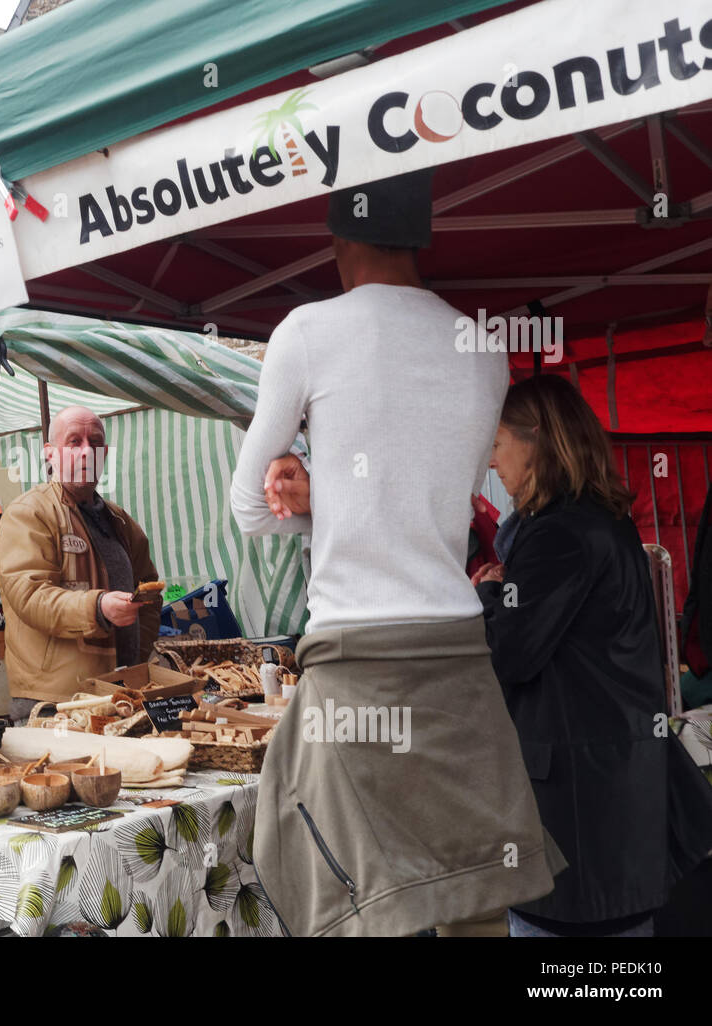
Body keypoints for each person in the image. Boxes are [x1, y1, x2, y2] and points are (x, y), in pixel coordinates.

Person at [230, 169, 560, 937]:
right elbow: (428, 495)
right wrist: (335, 501)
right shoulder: (481, 347)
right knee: (472, 903)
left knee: (363, 909)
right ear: (422, 236)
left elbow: (250, 509)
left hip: (358, 662)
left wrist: (316, 504)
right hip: (457, 661)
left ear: (338, 238)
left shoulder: (308, 332)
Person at [474, 375, 712, 937]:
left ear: (536, 443)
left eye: (499, 441)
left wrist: (487, 593)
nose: (492, 456)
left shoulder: (560, 533)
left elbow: (509, 654)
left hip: (581, 809)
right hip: (607, 796)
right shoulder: (601, 520)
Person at [0, 406, 161, 717]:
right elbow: (29, 596)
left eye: (96, 443)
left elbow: (149, 595)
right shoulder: (29, 513)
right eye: (74, 442)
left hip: (116, 693)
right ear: (50, 453)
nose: (87, 451)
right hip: (53, 702)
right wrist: (98, 608)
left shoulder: (120, 521)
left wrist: (135, 655)